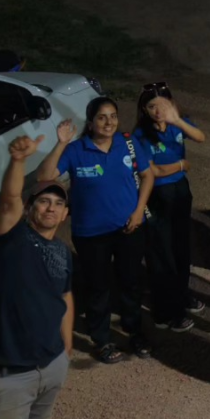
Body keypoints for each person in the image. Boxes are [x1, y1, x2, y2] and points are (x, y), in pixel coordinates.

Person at [36, 98, 154, 363]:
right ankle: (102, 340)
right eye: (102, 117)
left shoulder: (129, 144)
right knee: (99, 287)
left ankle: (134, 331)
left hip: (130, 228)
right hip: (91, 234)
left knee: (130, 283)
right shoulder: (76, 150)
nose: (109, 122)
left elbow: (148, 176)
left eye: (113, 116)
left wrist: (138, 211)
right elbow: (44, 176)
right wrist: (61, 142)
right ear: (90, 123)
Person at [0, 136, 72, 419]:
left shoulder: (62, 251)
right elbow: (9, 198)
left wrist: (65, 346)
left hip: (51, 363)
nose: (51, 207)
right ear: (29, 207)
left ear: (65, 215)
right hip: (8, 373)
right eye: (44, 200)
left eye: (59, 203)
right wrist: (18, 161)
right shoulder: (10, 237)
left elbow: (66, 295)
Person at [135, 82, 207, 333]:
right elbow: (152, 171)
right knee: (161, 253)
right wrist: (180, 166)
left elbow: (200, 137)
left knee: (180, 247)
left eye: (163, 104)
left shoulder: (178, 124)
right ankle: (164, 312)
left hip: (179, 192)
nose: (158, 110)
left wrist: (177, 120)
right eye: (151, 106)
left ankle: (181, 294)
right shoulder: (140, 135)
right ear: (144, 109)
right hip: (156, 195)